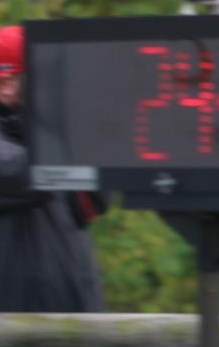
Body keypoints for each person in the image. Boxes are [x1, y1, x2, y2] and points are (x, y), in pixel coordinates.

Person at [0, 23, 106, 314]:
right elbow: (25, 172)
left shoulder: (49, 134)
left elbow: (100, 198)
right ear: (8, 84)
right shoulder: (50, 143)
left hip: (75, 315)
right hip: (11, 331)